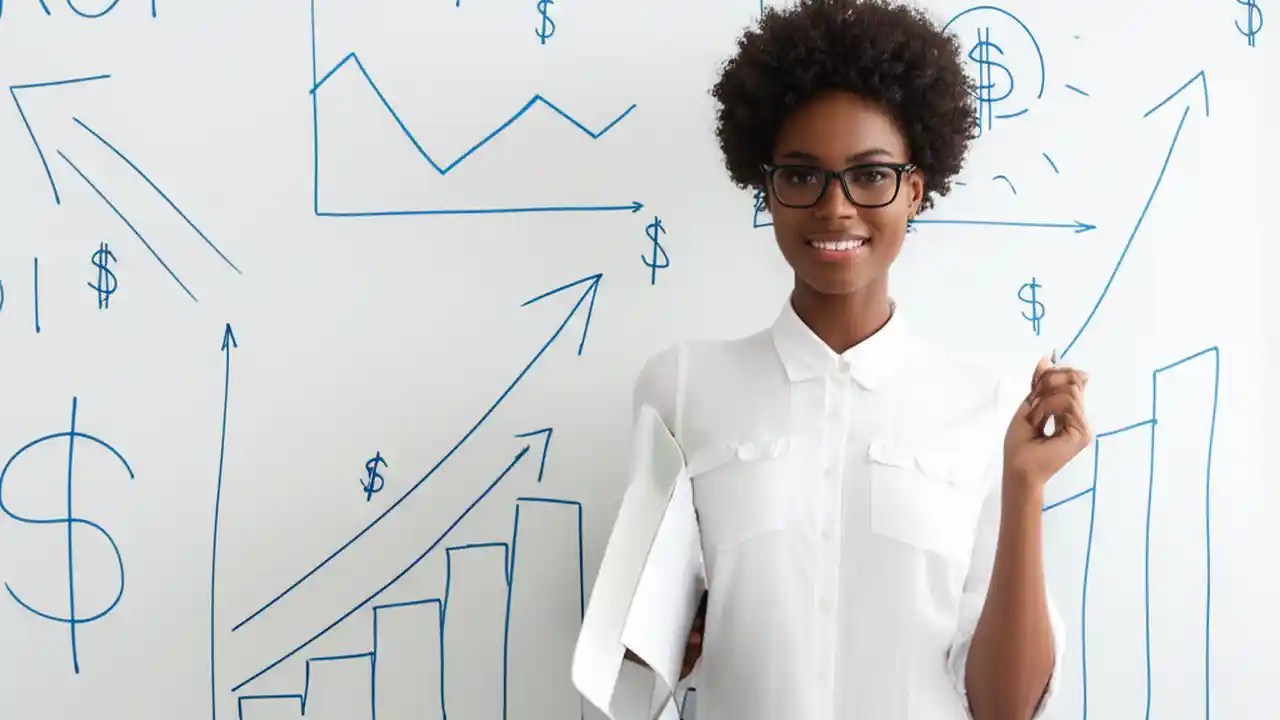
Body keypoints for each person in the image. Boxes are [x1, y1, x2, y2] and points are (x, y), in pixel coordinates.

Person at [618, 1, 1093, 718]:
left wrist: (1023, 486)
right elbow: (632, 657)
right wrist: (658, 635)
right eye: (803, 176)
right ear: (767, 189)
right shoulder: (681, 387)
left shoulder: (989, 410)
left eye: (870, 176)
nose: (836, 209)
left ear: (914, 188)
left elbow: (1005, 707)